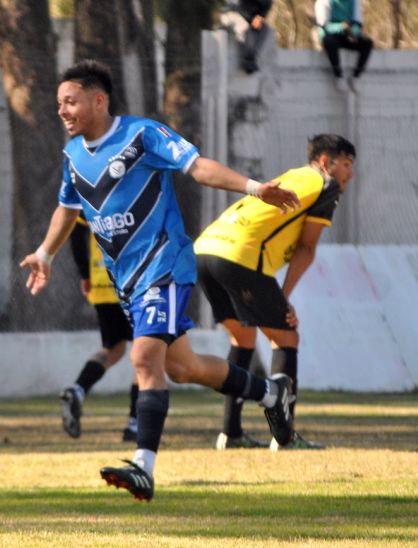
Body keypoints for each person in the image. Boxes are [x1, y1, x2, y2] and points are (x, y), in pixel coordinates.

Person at [20, 60, 300, 502]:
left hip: (165, 265)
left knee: (145, 359)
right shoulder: (72, 156)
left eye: (70, 102)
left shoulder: (141, 135)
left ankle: (144, 466)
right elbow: (67, 209)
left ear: (99, 99)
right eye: (59, 103)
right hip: (127, 281)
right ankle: (272, 393)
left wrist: (253, 187)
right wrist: (45, 252)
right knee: (181, 367)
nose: (62, 111)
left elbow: (197, 166)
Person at [196, 133, 355, 451]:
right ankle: (284, 437)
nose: (349, 173)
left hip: (204, 250)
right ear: (326, 162)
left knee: (242, 338)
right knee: (286, 337)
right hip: (239, 256)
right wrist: (284, 297)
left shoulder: (292, 177)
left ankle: (231, 433)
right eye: (346, 164)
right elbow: (306, 248)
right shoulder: (326, 184)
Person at [59, 213, 139, 442]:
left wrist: (85, 274)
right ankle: (135, 422)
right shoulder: (134, 187)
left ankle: (78, 389)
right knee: (149, 352)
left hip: (101, 281)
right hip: (132, 282)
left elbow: (76, 233)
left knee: (113, 349)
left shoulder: (91, 192)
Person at [315, 0, 374, 92]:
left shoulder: (354, 1)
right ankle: (338, 75)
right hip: (332, 35)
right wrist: (341, 27)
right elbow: (324, 26)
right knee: (329, 41)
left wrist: (352, 31)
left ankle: (356, 77)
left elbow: (357, 24)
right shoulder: (324, 2)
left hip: (348, 36)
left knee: (367, 43)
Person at [220, 0, 273, 74]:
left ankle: (251, 56)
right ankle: (246, 59)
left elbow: (266, 5)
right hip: (231, 13)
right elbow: (236, 6)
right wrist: (251, 19)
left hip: (248, 17)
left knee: (264, 28)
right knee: (243, 27)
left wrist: (259, 17)